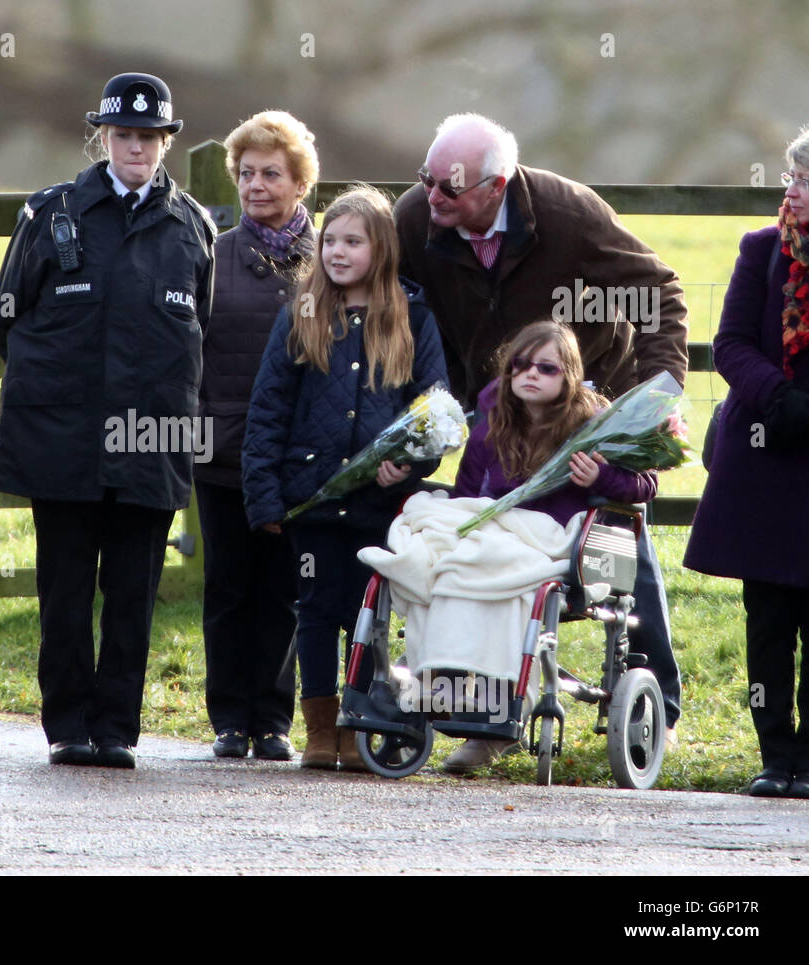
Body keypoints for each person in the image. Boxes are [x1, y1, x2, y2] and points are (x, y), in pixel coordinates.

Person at [394, 113, 686, 765]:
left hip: (585, 393)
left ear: (495, 186)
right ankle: (482, 718)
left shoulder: (568, 216)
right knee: (482, 547)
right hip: (492, 398)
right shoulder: (417, 216)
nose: (431, 195)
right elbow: (388, 304)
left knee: (615, 534)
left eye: (449, 186)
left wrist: (657, 395)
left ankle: (658, 700)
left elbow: (659, 290)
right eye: (426, 178)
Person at [0, 72, 216, 769]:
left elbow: (199, 329)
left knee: (131, 595)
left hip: (152, 441)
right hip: (63, 440)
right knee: (63, 591)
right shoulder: (49, 215)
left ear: (166, 142)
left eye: (150, 137)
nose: (137, 148)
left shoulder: (194, 229)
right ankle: (67, 725)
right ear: (104, 137)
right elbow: (9, 319)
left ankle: (117, 727)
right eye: (125, 135)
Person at [242, 186, 447, 770]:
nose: (336, 251)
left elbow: (433, 407)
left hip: (380, 507)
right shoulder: (302, 314)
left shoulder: (414, 317)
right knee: (315, 610)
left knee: (369, 611)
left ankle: (362, 723)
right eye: (329, 239)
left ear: (380, 249)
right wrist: (265, 498)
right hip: (310, 502)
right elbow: (268, 411)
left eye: (352, 241)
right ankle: (319, 729)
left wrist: (410, 463)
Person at [441, 319, 658, 770]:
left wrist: (603, 478)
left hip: (556, 547)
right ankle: (432, 686)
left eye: (546, 368)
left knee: (508, 581)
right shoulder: (491, 425)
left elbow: (646, 484)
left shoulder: (595, 424)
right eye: (520, 365)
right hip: (496, 538)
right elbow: (466, 496)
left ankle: (496, 724)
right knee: (447, 567)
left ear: (570, 375)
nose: (530, 374)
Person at [684, 126, 809, 798]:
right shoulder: (762, 252)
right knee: (767, 619)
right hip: (763, 460)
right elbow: (729, 343)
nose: (791, 189)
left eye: (804, 179)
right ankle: (775, 754)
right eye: (791, 176)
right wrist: (780, 397)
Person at [197, 110, 318, 761]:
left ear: (300, 183)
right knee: (227, 588)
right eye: (246, 173)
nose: (255, 185)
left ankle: (272, 720)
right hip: (220, 455)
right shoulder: (213, 258)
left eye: (271, 173)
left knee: (283, 591)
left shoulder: (328, 260)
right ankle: (228, 719)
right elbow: (187, 350)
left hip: (296, 460)